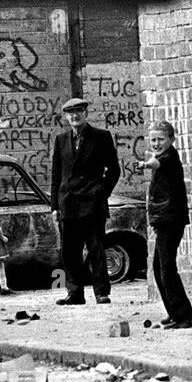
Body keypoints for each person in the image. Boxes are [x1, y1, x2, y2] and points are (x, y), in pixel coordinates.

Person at [50, 97, 120, 306]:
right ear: (66, 116)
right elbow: (56, 175)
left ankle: (101, 292)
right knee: (69, 252)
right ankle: (75, 293)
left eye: (78, 112)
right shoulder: (61, 140)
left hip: (92, 204)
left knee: (96, 248)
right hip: (68, 203)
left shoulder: (101, 137)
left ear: (85, 113)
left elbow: (114, 170)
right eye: (70, 113)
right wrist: (54, 205)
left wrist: (101, 192)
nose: (74, 116)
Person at [138, 120, 192, 329]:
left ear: (171, 139)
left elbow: (157, 163)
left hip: (171, 220)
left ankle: (182, 317)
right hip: (165, 220)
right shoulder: (164, 156)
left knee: (166, 269)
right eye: (153, 139)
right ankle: (175, 312)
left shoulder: (169, 157)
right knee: (159, 267)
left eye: (161, 139)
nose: (157, 143)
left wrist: (145, 164)